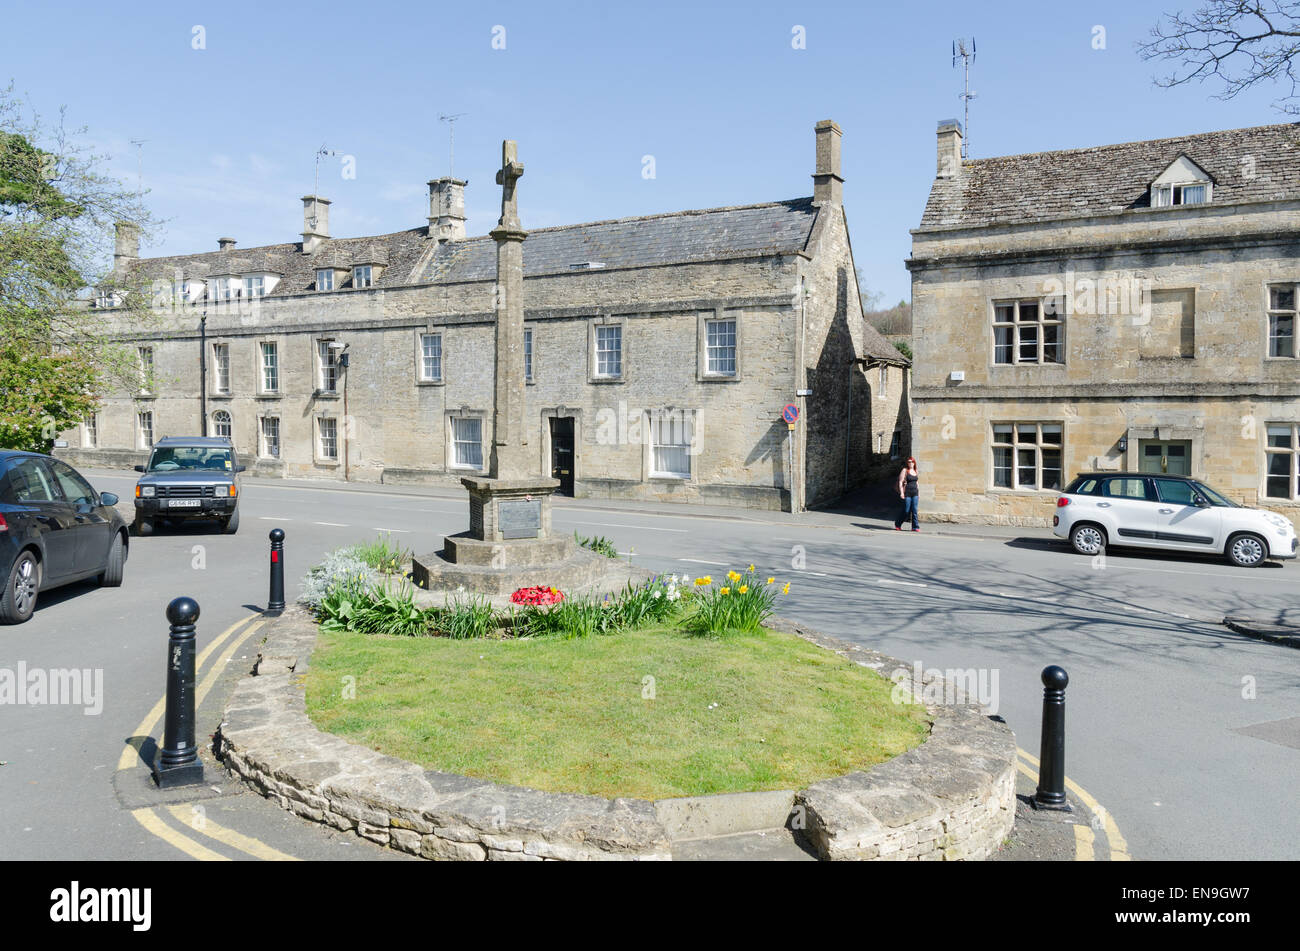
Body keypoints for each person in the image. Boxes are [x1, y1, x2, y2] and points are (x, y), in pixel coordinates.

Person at [895, 456, 920, 532]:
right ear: (907, 463)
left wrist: (918, 493)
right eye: (909, 462)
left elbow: (917, 482)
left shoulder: (916, 471)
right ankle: (898, 524)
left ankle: (915, 527)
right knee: (906, 510)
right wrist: (902, 493)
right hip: (907, 493)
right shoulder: (905, 470)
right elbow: (900, 481)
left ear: (914, 463)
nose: (910, 463)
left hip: (915, 493)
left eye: (912, 462)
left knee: (914, 510)